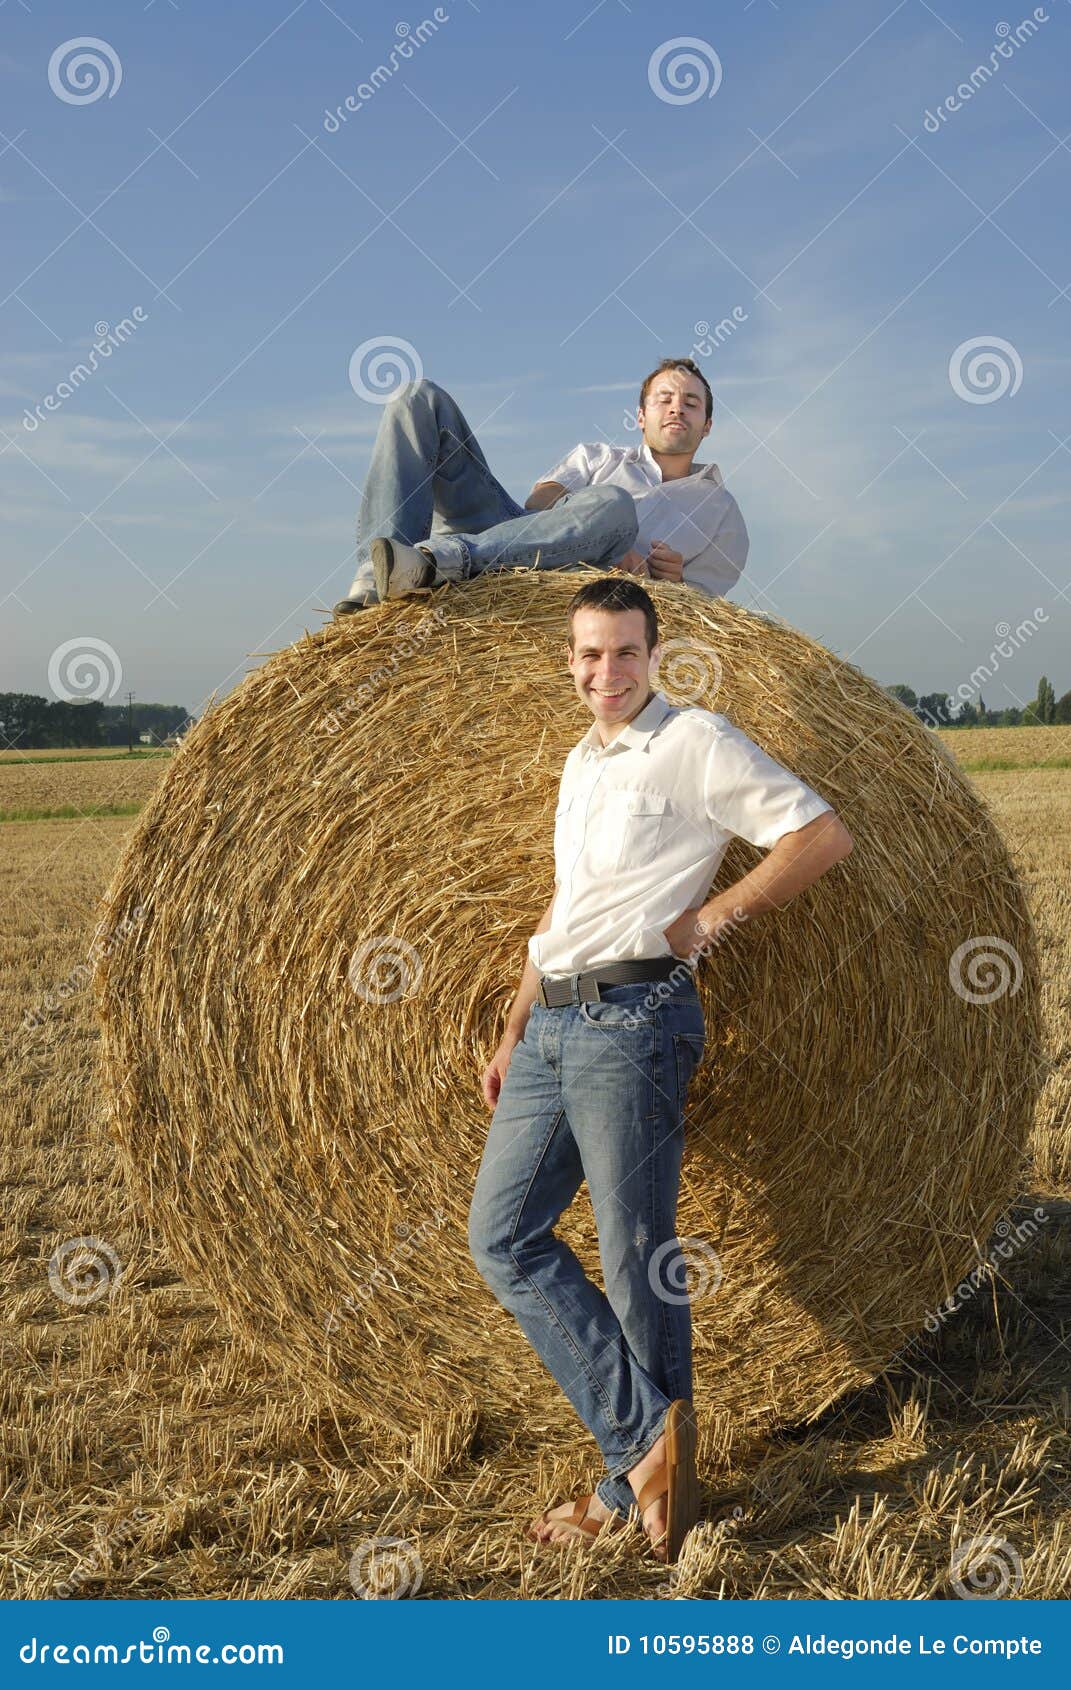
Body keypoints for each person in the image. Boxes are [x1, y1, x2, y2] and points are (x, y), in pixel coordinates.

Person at [466, 576, 853, 1564]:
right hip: (554, 1023)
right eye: (591, 654)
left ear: (655, 651)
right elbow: (565, 907)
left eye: (626, 652)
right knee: (502, 1237)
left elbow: (820, 833)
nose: (608, 671)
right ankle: (645, 1447)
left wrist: (718, 916)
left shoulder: (694, 742)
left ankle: (634, 1478)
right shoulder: (581, 761)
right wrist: (515, 1024)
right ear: (570, 660)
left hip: (635, 1016)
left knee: (639, 1254)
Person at [333, 359, 749, 615]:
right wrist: (593, 531)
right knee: (417, 396)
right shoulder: (598, 456)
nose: (677, 407)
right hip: (518, 538)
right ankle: (378, 577)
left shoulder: (723, 514)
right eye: (664, 399)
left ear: (707, 425)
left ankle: (430, 562)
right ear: (641, 416)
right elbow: (538, 505)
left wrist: (670, 582)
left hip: (586, 584)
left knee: (615, 503)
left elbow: (704, 612)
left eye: (691, 403)